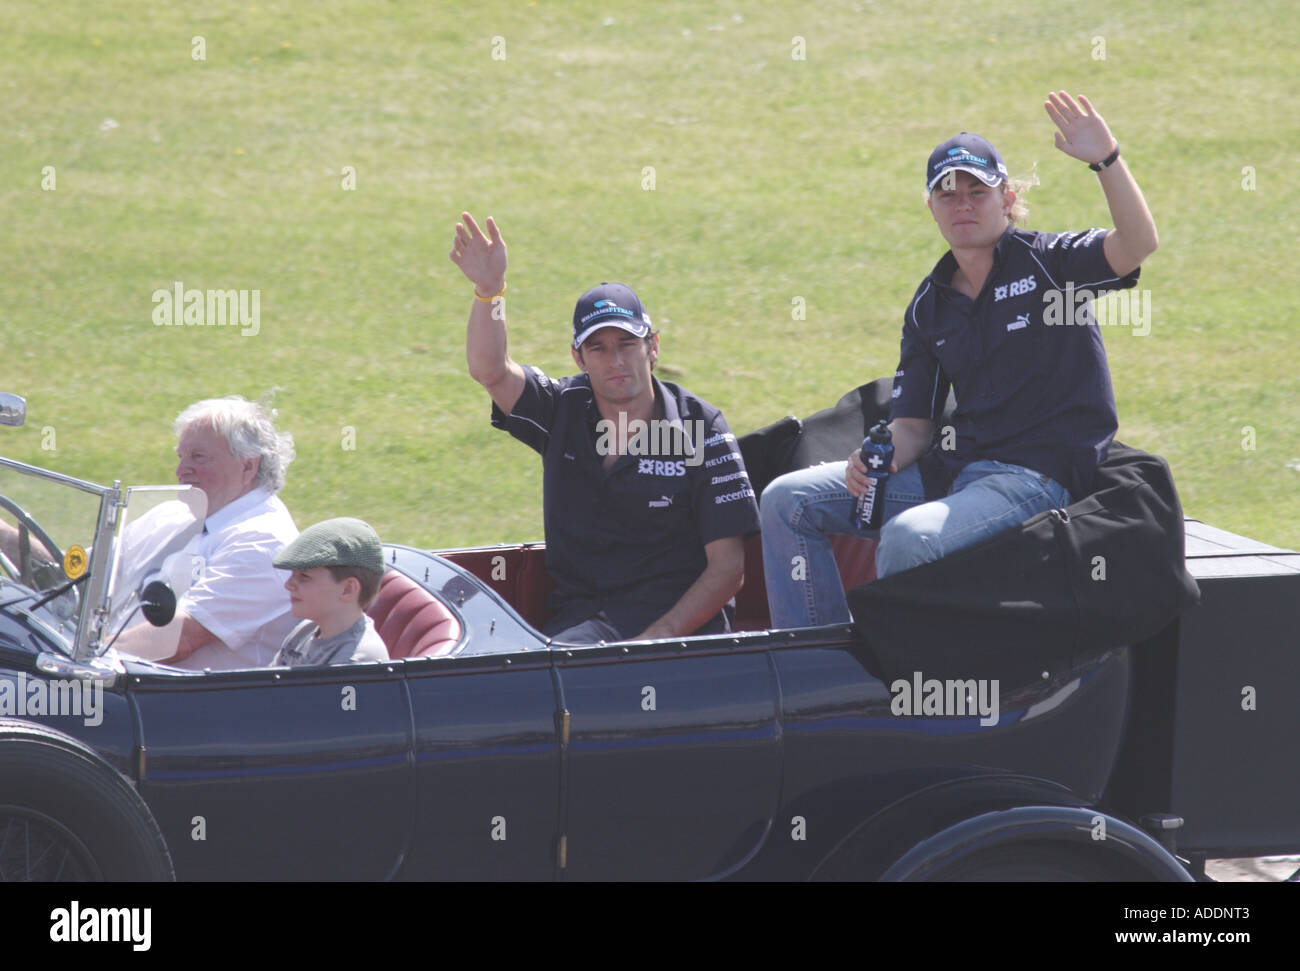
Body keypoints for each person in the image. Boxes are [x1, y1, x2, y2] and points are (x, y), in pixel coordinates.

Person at [761, 90, 1158, 629]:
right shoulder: (929, 305)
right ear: (931, 206)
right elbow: (912, 427)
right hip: (956, 473)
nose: (963, 204)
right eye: (948, 194)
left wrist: (1105, 160)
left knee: (908, 538)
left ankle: (897, 684)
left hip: (1036, 478)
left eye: (978, 190)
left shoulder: (1051, 264)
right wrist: (871, 461)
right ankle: (819, 664)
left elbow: (1137, 243)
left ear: (1007, 198)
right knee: (786, 499)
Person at [449, 212, 760, 643]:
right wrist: (489, 292)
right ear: (579, 359)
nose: (615, 361)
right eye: (598, 348)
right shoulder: (561, 408)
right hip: (581, 623)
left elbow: (728, 569)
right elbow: (490, 371)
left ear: (653, 347)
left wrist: (656, 638)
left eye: (627, 344)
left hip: (680, 630)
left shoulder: (701, 427)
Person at [117, 396, 300, 668]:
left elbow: (176, 640)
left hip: (176, 701)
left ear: (248, 465)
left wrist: (81, 656)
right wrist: (30, 549)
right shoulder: (170, 515)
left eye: (198, 457)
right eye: (181, 457)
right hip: (113, 680)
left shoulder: (263, 543)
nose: (180, 471)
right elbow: (82, 575)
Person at [271, 517, 389, 666]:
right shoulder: (305, 630)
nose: (289, 585)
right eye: (292, 575)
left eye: (304, 576)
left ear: (348, 589)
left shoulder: (356, 661)